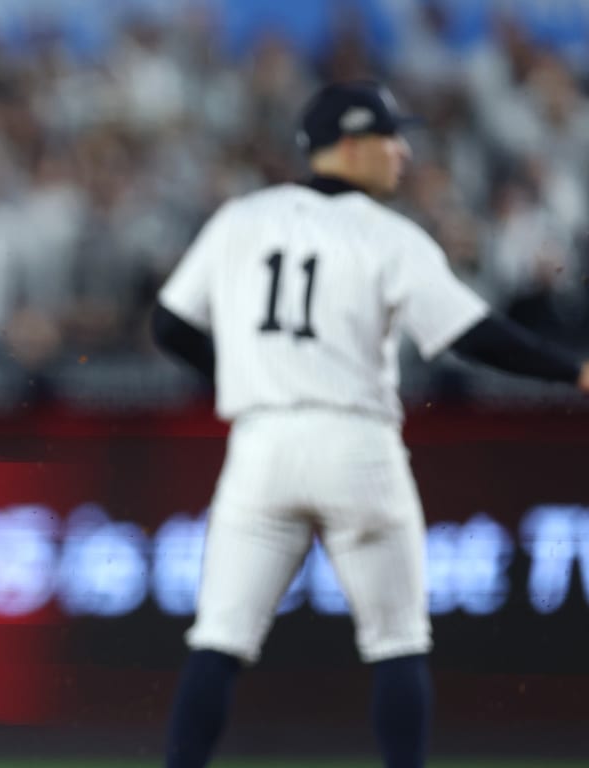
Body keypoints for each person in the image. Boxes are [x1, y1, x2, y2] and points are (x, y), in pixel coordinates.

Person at [151, 80, 589, 768]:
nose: (403, 152)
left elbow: (169, 325)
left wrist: (244, 374)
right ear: (350, 145)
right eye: (390, 138)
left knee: (219, 641)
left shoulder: (242, 217)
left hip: (259, 444)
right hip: (356, 444)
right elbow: (472, 333)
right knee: (397, 642)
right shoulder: (387, 234)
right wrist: (574, 370)